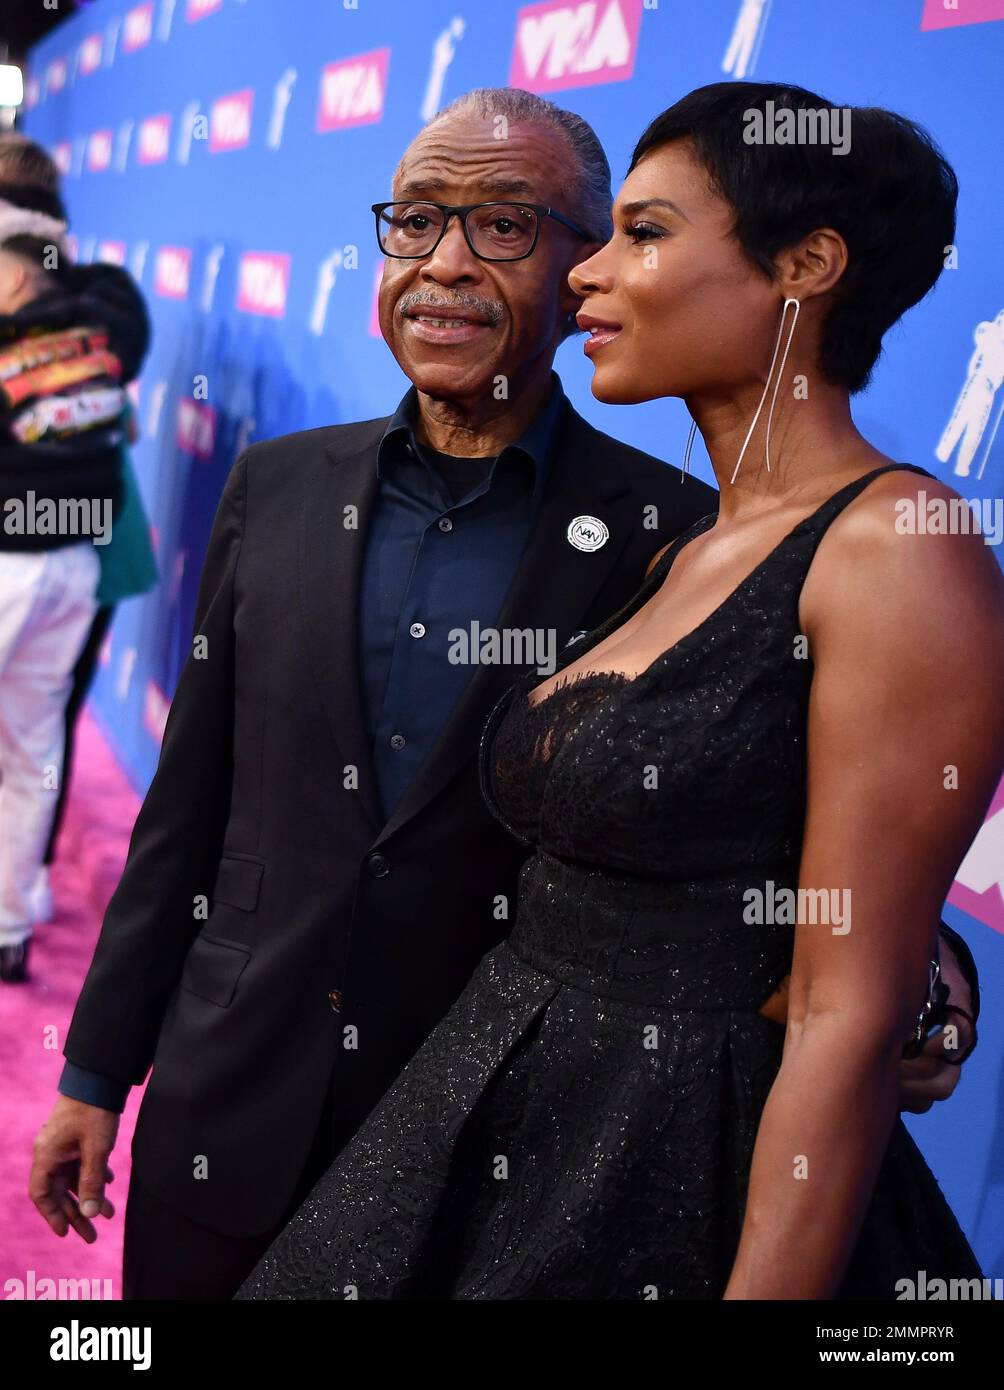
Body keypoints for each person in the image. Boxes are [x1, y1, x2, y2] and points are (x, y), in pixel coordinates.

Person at [32, 89, 978, 1300]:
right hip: (227, 1112)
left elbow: (772, 835)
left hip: (504, 1158)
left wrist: (921, 978)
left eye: (504, 228)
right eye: (415, 221)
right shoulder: (277, 487)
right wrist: (94, 1074)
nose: (442, 266)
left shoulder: (676, 535)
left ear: (578, 255)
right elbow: (184, 815)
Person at [0, 135, 158, 924]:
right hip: (74, 554)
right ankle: (11, 919)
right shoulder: (97, 305)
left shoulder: (81, 306)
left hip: (43, 555)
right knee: (35, 742)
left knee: (33, 741)